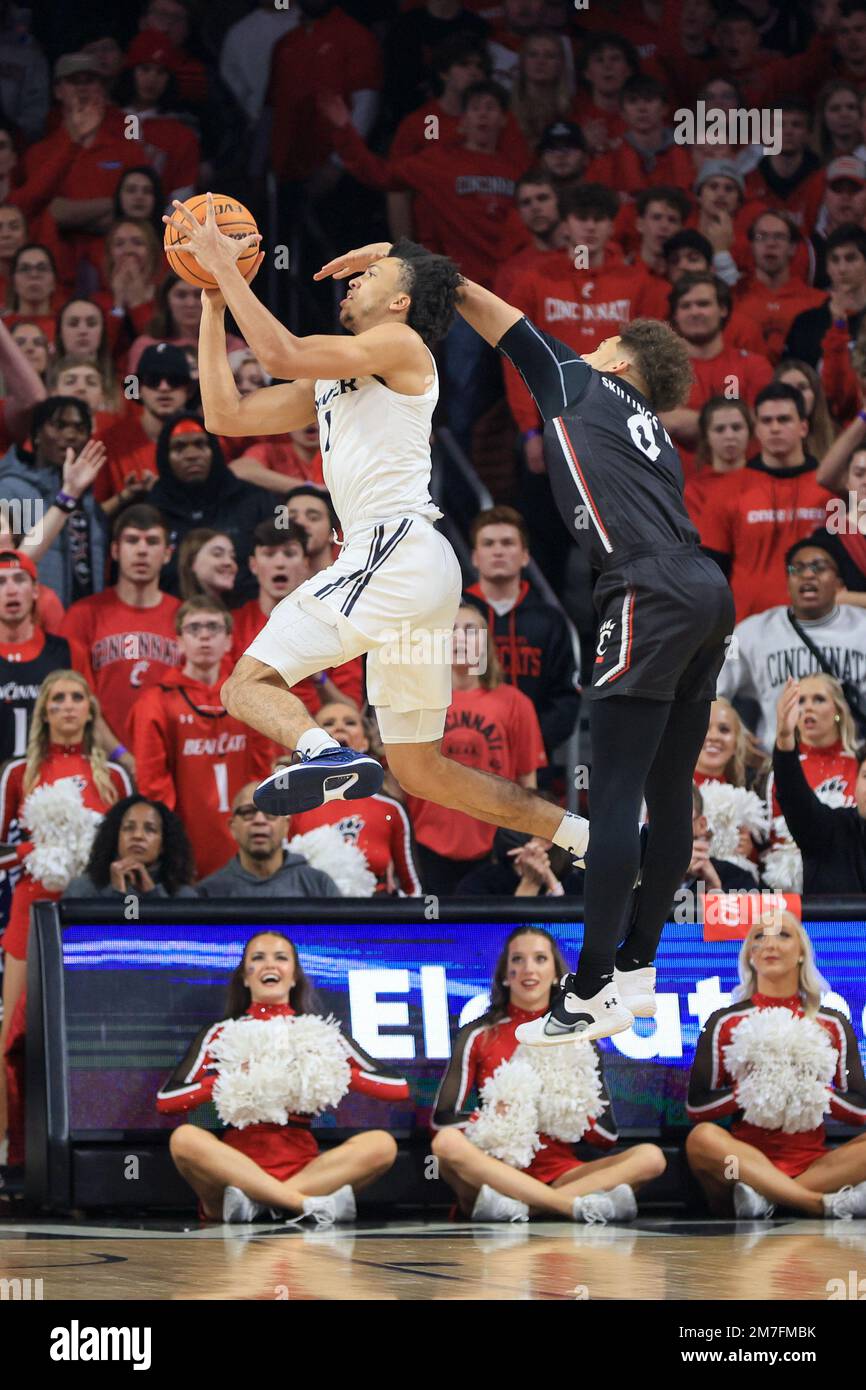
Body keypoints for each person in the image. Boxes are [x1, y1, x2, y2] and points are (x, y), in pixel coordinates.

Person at [343, 236, 735, 1044]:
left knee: (615, 795)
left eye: (602, 344)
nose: (586, 346)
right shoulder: (651, 435)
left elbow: (486, 311)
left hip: (647, 586)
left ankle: (589, 981)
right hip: (705, 587)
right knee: (667, 794)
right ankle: (637, 973)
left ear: (620, 366)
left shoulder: (585, 382)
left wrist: (406, 254)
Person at [174, 212, 592, 902]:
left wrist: (223, 264)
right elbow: (226, 416)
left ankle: (325, 753)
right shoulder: (340, 378)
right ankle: (583, 835)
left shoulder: (401, 343)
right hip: (416, 570)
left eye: (374, 273)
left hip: (392, 550)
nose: (356, 280)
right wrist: (215, 302)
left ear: (400, 301)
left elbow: (278, 353)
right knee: (423, 770)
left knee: (244, 685)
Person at [157, 930, 406, 1223]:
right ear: (245, 977)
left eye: (281, 958)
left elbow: (397, 1088)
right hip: (234, 1171)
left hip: (306, 1170)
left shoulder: (320, 1032)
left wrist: (330, 1068)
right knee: (185, 1138)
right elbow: (167, 1100)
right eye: (258, 958)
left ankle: (262, 1204)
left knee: (381, 1144)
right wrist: (227, 1077)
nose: (269, 965)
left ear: (294, 975)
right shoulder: (222, 1033)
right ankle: (299, 1205)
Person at [431, 927, 665, 1222]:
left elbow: (607, 1136)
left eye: (540, 959)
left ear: (556, 973)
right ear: (506, 974)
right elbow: (441, 1120)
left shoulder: (579, 1034)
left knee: (651, 1157)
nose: (528, 968)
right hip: (495, 1169)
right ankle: (572, 1208)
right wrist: (496, 1116)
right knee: (446, 1144)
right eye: (517, 960)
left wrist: (569, 1109)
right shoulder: (479, 1033)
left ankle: (525, 1208)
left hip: (562, 1174)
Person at [0, 669, 131, 1149]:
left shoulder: (113, 775)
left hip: (91, 907)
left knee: (92, 1030)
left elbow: (129, 845)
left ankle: (94, 1139)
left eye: (78, 697)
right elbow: (1, 850)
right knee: (11, 1030)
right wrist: (38, 853)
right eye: (58, 698)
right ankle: (8, 1152)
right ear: (45, 711)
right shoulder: (18, 772)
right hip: (30, 906)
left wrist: (89, 858)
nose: (69, 706)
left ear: (91, 710)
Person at [686, 911, 866, 1220]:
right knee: (702, 1138)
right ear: (750, 956)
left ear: (801, 953)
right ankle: (816, 1203)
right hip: (744, 1162)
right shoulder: (724, 1021)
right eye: (759, 937)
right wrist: (749, 1090)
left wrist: (814, 1091)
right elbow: (696, 1107)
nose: (770, 944)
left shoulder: (832, 1022)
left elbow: (861, 1110)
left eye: (783, 935)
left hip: (814, 1165)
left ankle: (767, 1197)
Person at [126, 596, 273, 880]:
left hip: (241, 844)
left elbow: (261, 774)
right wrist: (173, 849)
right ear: (179, 641)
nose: (204, 636)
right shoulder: (155, 702)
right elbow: (153, 787)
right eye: (194, 628)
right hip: (185, 845)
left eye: (213, 628)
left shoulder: (250, 698)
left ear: (229, 639)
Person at [404, 603, 547, 895]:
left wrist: (522, 837)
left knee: (488, 936)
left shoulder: (515, 703)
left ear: (486, 642)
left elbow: (527, 784)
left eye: (471, 631)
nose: (460, 638)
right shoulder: (415, 700)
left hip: (494, 845)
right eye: (450, 630)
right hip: (425, 842)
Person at [698, 384, 833, 622]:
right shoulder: (726, 491)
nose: (775, 428)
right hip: (749, 628)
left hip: (821, 623)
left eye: (784, 419)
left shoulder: (830, 489)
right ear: (757, 430)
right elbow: (711, 574)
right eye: (766, 421)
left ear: (804, 426)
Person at [716, 538, 866, 749]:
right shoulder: (752, 631)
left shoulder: (862, 627)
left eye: (819, 567)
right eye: (797, 568)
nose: (808, 574)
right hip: (778, 763)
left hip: (853, 762)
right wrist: (736, 733)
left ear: (838, 582)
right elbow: (712, 686)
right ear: (787, 582)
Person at [464, 506, 579, 762]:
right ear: (474, 556)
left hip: (532, 760)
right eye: (488, 543)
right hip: (465, 754)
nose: (498, 551)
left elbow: (565, 698)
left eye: (508, 543)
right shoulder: (454, 616)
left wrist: (529, 742)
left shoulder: (550, 621)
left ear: (525, 555)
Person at [59, 504, 181, 740]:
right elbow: (72, 694)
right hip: (101, 757)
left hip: (169, 756)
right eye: (132, 540)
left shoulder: (186, 618)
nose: (142, 550)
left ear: (167, 554)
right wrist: (117, 754)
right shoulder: (82, 614)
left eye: (152, 541)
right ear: (114, 550)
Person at [228, 519, 363, 714]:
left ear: (306, 563)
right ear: (253, 564)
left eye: (289, 554)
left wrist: (318, 677)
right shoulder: (233, 625)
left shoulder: (335, 624)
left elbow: (351, 713)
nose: (280, 563)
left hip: (317, 735)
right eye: (269, 554)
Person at [288, 699, 421, 895]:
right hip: (313, 918)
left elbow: (414, 889)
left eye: (350, 722)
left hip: (373, 918)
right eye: (328, 724)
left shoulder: (391, 808)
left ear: (365, 742)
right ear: (310, 743)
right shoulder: (292, 806)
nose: (340, 727)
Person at [145, 412, 275, 599]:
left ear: (214, 449)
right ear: (164, 458)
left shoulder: (255, 501)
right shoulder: (152, 511)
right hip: (170, 618)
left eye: (200, 444)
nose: (192, 455)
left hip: (249, 614)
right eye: (179, 447)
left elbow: (278, 556)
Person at [0, 395, 108, 608]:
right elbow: (19, 558)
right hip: (33, 615)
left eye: (79, 428)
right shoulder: (16, 490)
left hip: (83, 621)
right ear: (37, 435)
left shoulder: (87, 499)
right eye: (59, 426)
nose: (70, 435)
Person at [772, 676, 866, 893]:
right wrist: (785, 739)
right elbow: (797, 802)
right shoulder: (832, 830)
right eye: (801, 700)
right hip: (828, 923)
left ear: (838, 711)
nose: (808, 708)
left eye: (819, 699)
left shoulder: (853, 759)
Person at [196, 783, 340, 898]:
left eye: (271, 812)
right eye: (248, 812)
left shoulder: (319, 885)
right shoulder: (208, 892)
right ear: (232, 826)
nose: (259, 820)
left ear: (286, 825)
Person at [64, 795, 197, 900]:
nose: (138, 836)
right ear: (115, 837)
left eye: (150, 829)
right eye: (129, 828)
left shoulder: (183, 896)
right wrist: (118, 894)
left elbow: (164, 934)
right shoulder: (82, 891)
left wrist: (153, 896)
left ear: (163, 844)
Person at [785, 223, 866, 368]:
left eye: (851, 258)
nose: (842, 269)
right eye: (835, 260)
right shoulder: (806, 324)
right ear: (827, 267)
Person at [683, 397, 751, 533]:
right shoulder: (694, 491)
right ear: (706, 436)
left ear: (750, 431)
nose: (729, 436)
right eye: (720, 429)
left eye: (737, 428)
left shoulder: (766, 481)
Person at [177, 528, 238, 604]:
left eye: (232, 557)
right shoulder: (174, 612)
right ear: (192, 562)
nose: (229, 562)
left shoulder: (241, 613)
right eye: (217, 554)